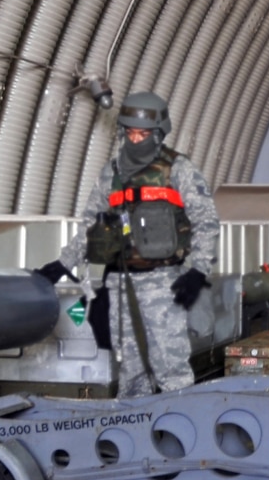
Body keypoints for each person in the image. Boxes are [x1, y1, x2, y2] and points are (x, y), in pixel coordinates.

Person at [41, 91, 219, 395]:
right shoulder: (110, 174)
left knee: (172, 371)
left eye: (144, 134)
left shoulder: (179, 170)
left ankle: (181, 433)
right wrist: (63, 263)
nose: (136, 140)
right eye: (131, 133)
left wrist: (198, 270)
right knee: (131, 374)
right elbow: (90, 224)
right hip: (120, 285)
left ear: (159, 133)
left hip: (164, 285)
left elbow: (207, 221)